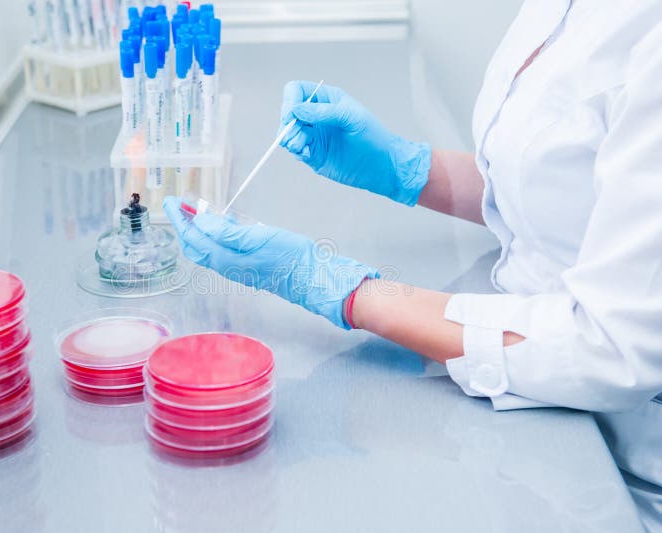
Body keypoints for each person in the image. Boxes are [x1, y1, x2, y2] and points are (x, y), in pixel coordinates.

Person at [164, 1, 662, 528]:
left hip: (618, 467)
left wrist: (342, 288)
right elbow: (566, 195)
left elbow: (605, 347)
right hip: (539, 410)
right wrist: (406, 169)